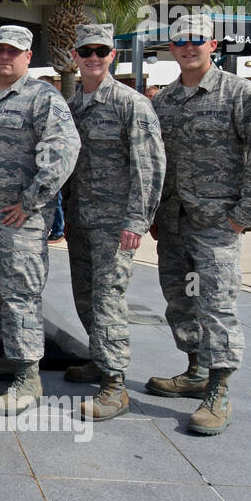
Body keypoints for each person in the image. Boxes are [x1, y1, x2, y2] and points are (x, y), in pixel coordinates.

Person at [147, 13, 251, 435]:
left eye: (197, 39)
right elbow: (155, 164)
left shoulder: (240, 93)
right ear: (171, 48)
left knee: (217, 305)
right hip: (173, 224)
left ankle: (219, 389)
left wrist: (242, 218)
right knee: (181, 300)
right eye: (181, 40)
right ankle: (196, 371)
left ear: (214, 44)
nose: (189, 47)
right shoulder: (164, 101)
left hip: (216, 225)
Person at [0, 24, 80, 416]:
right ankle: (10, 355)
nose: (5, 57)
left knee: (20, 293)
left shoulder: (42, 98)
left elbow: (62, 150)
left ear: (27, 57)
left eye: (14, 51)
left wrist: (31, 201)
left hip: (19, 221)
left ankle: (28, 376)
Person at [60, 24, 165, 420]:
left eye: (100, 51)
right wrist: (67, 214)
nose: (92, 58)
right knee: (84, 294)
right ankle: (98, 357)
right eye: (85, 51)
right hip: (81, 220)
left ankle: (114, 384)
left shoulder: (130, 104)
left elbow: (149, 167)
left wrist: (137, 220)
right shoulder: (72, 106)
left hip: (115, 225)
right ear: (75, 56)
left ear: (112, 55)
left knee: (107, 298)